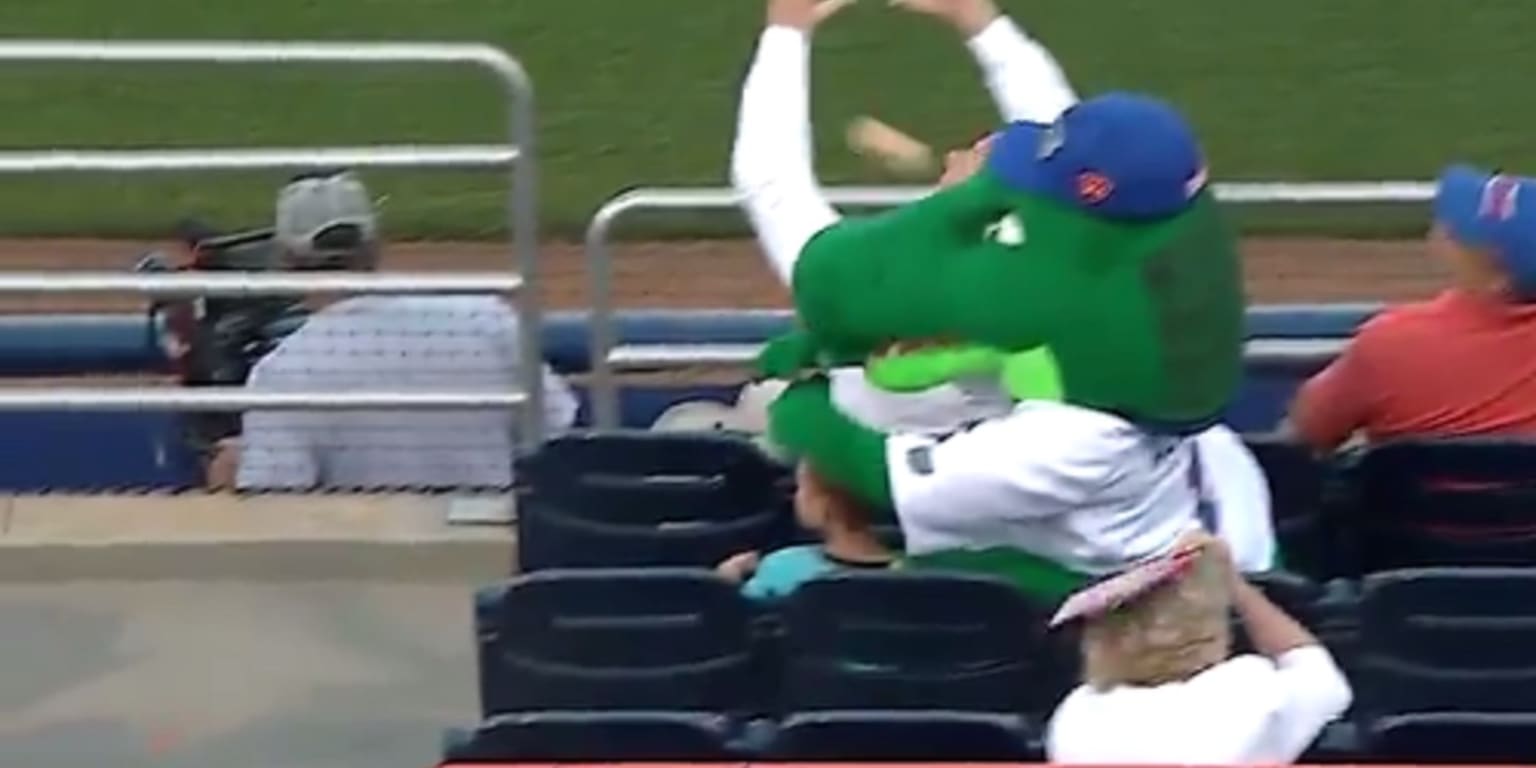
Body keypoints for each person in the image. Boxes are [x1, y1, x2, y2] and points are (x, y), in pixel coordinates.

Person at [217, 171, 579, 491]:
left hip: (375, 563)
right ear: (375, 245)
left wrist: (236, 470)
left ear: (285, 260)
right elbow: (561, 440)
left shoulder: (284, 372)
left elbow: (277, 505)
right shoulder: (487, 319)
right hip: (493, 553)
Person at [1289, 166, 1536, 453]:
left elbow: (1304, 436)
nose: (1446, 229)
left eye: (1464, 235)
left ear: (1498, 280)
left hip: (1411, 497)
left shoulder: (1391, 343)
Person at [1046, 534, 1352, 764]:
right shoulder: (1241, 688)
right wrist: (1233, 583)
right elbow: (1317, 672)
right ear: (1206, 629)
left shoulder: (1075, 714)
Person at [716, 460, 895, 601]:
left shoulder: (783, 565)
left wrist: (727, 580)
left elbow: (744, 613)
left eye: (800, 488)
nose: (794, 496)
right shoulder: (916, 568)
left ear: (822, 508)